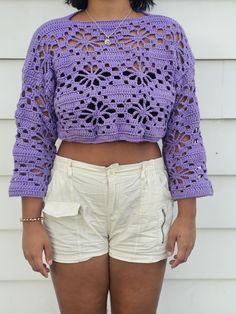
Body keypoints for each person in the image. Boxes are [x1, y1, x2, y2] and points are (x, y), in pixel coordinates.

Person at [8, 0, 214, 313]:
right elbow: (34, 133)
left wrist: (188, 215)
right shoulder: (51, 37)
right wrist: (30, 221)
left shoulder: (166, 35)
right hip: (73, 193)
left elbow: (184, 128)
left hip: (144, 192)